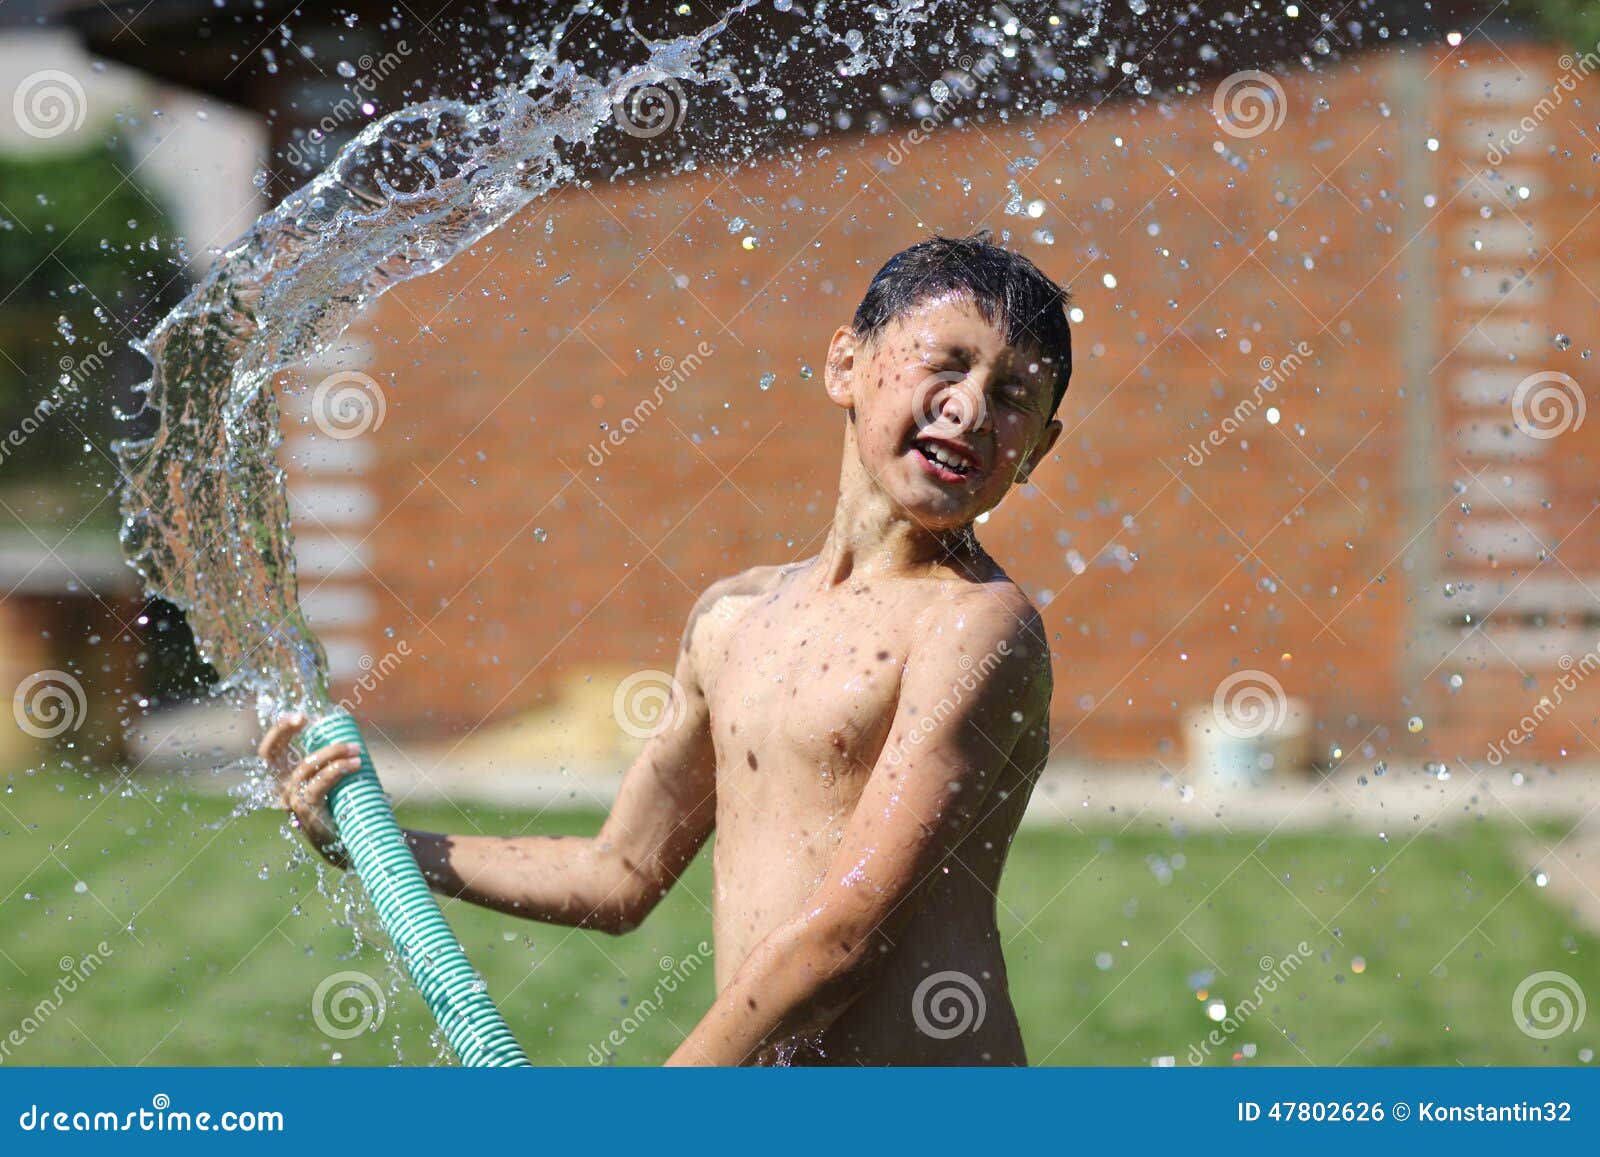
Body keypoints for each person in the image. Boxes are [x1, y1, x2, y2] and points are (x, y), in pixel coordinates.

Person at [260, 233, 1071, 1065]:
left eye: (1012, 395)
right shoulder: (733, 618)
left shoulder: (976, 626)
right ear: (845, 366)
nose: (970, 408)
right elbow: (619, 872)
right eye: (946, 363)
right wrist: (378, 840)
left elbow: (844, 936)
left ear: (1038, 448)